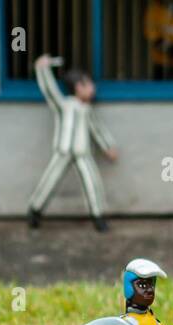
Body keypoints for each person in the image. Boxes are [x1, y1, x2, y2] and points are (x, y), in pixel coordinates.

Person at [26, 55, 118, 232]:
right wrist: (43, 70)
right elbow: (50, 92)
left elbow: (97, 130)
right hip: (63, 151)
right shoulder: (65, 105)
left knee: (93, 183)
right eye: (89, 85)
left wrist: (108, 146)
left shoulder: (87, 110)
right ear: (78, 87)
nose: (93, 88)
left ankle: (98, 216)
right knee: (49, 181)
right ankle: (34, 210)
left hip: (83, 152)